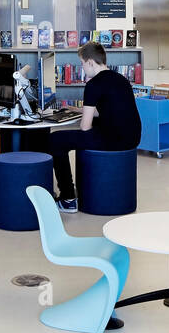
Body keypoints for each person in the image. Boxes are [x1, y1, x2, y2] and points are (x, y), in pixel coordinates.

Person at [48, 41, 141, 213]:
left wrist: (83, 118)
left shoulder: (93, 84)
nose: (83, 68)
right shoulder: (121, 79)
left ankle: (67, 198)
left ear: (90, 62)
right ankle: (68, 196)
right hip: (132, 136)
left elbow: (85, 127)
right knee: (84, 131)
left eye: (82, 64)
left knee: (56, 140)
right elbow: (110, 110)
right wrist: (78, 110)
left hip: (114, 140)